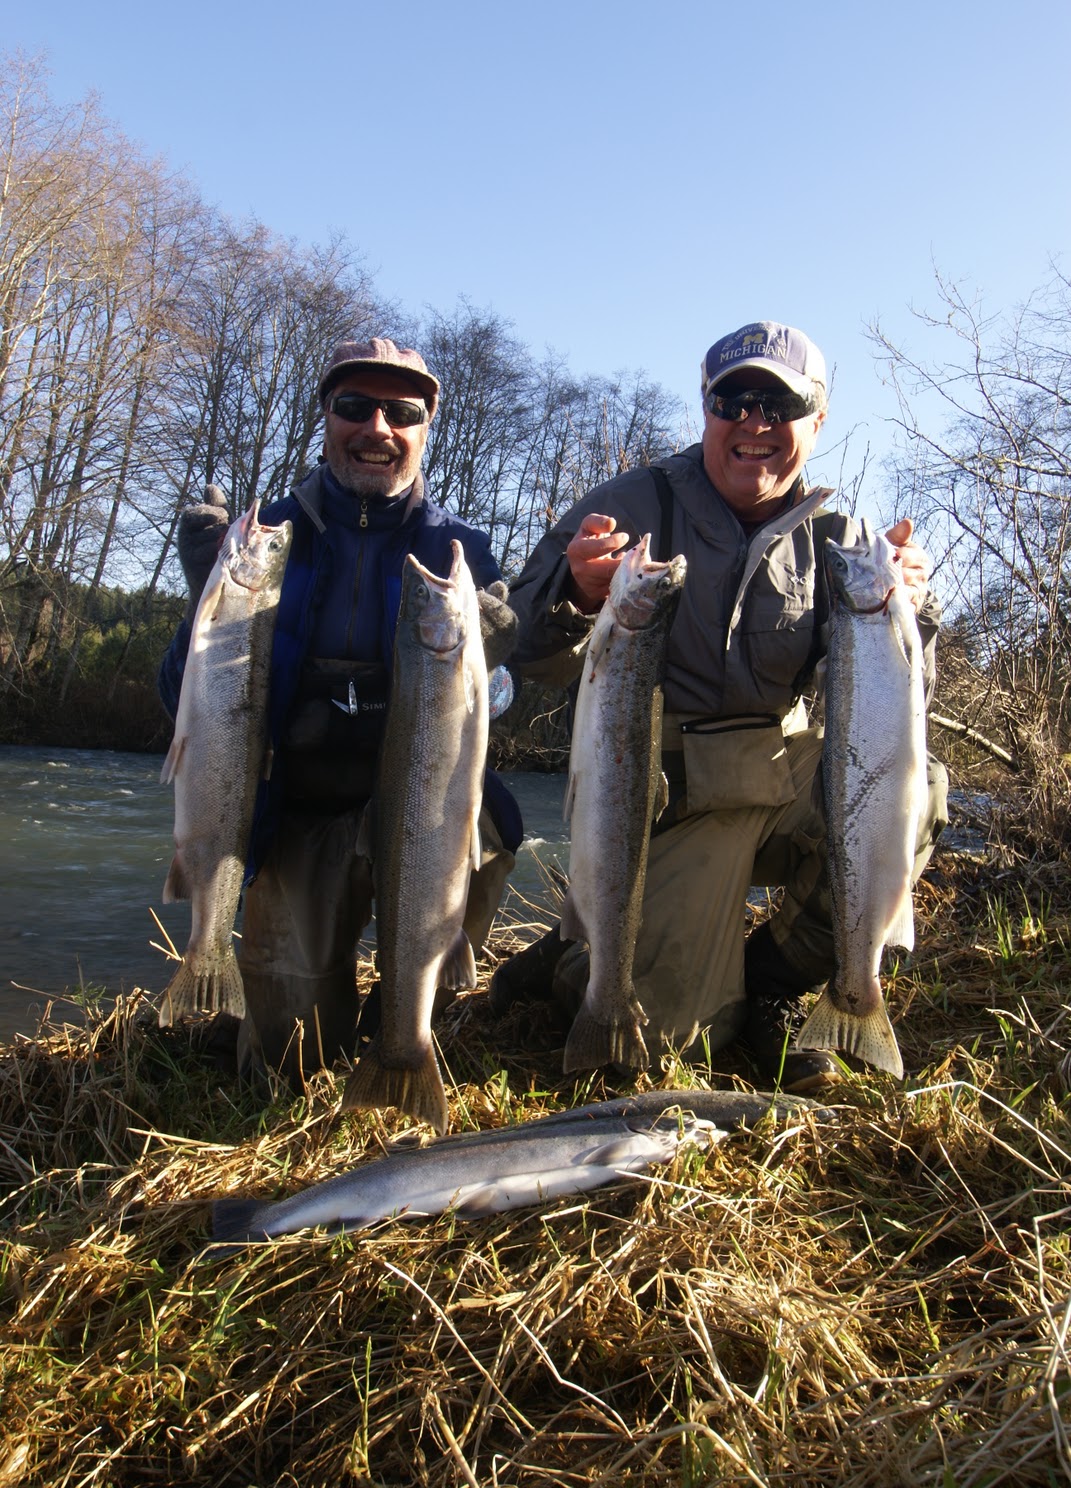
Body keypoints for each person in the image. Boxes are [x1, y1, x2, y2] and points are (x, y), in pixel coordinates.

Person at [496, 320, 947, 1093]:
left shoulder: (843, 537)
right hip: (662, 796)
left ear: (819, 417)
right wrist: (573, 593)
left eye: (780, 405)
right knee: (669, 1042)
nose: (754, 424)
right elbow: (529, 652)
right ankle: (573, 953)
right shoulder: (627, 504)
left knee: (920, 788)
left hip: (780, 778)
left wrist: (912, 616)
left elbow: (891, 713)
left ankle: (774, 979)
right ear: (705, 408)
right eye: (732, 400)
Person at [159, 338, 521, 1086]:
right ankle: (284, 996)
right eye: (354, 406)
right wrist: (207, 603)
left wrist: (495, 658)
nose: (377, 428)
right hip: (299, 814)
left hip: (419, 813)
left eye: (402, 412)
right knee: (293, 1065)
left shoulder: (461, 554)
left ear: (426, 428)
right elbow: (181, 705)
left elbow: (501, 712)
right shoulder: (267, 540)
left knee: (492, 816)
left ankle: (410, 994)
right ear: (325, 416)